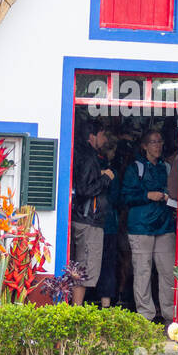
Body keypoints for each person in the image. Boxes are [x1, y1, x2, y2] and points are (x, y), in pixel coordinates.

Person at [121, 127, 176, 323]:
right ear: (144, 146)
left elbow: (177, 192)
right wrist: (147, 195)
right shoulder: (136, 168)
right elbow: (125, 196)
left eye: (160, 141)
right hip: (141, 227)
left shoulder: (167, 167)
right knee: (143, 273)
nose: (158, 145)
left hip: (164, 226)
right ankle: (145, 317)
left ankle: (170, 317)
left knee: (168, 273)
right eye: (153, 142)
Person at [71, 121, 114, 305]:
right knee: (84, 268)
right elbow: (84, 189)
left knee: (85, 266)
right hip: (88, 220)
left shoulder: (85, 154)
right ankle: (77, 311)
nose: (105, 139)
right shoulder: (89, 157)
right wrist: (106, 178)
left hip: (87, 219)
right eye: (103, 135)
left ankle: (77, 309)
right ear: (93, 136)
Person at [92, 132, 120, 307]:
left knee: (89, 260)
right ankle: (106, 303)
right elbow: (116, 197)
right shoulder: (110, 171)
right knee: (107, 262)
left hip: (93, 220)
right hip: (107, 223)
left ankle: (85, 301)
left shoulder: (92, 164)